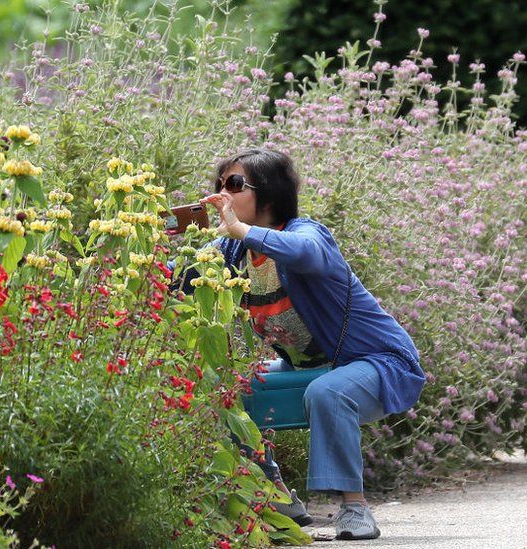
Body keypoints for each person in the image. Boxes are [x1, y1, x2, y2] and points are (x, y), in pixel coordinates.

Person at [170, 148, 426, 540]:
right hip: (310, 369)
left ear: (269, 193)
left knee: (329, 392)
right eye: (220, 184)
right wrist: (150, 247)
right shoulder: (231, 249)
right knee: (226, 393)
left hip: (380, 361)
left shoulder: (307, 233)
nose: (223, 194)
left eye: (235, 184)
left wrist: (240, 229)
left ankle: (354, 508)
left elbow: (309, 255)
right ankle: (275, 496)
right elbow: (173, 279)